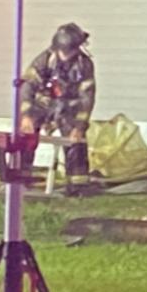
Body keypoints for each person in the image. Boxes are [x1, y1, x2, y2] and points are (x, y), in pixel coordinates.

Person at [20, 23, 98, 194]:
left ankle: (78, 184)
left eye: (72, 50)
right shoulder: (43, 61)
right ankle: (21, 177)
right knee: (25, 135)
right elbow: (27, 87)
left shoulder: (84, 65)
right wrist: (26, 116)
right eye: (65, 51)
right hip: (43, 104)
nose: (68, 55)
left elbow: (87, 97)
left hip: (69, 107)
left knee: (76, 141)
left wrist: (79, 126)